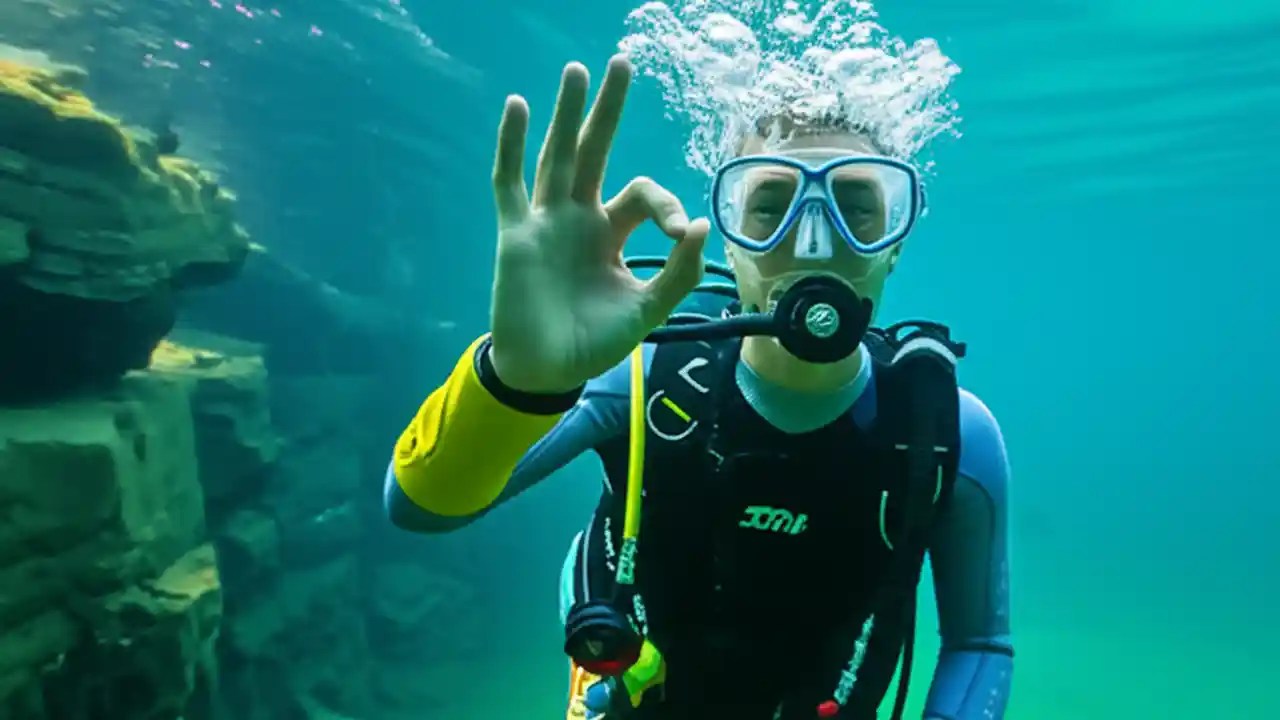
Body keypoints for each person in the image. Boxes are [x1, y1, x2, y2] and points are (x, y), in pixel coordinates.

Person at [384, 55, 1012, 720]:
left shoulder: (945, 432)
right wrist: (515, 383)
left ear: (895, 244)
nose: (813, 240)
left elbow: (979, 643)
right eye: (769, 207)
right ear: (729, 241)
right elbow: (420, 509)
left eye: (859, 209)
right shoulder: (642, 377)